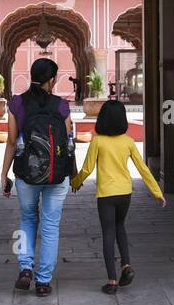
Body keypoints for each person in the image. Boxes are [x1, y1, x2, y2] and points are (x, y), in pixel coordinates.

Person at [70, 99, 166, 294]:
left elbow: (87, 168)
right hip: (125, 193)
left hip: (106, 195)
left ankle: (112, 280)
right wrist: (157, 193)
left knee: (108, 233)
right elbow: (143, 168)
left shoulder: (98, 141)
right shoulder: (128, 141)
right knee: (120, 227)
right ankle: (126, 265)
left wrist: (75, 182)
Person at [0, 57, 74, 297]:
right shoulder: (61, 106)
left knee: (27, 220)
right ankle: (43, 281)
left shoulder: (17, 104)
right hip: (56, 175)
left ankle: (24, 269)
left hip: (25, 174)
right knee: (51, 226)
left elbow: (12, 141)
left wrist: (4, 174)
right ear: (51, 80)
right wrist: (72, 173)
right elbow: (69, 142)